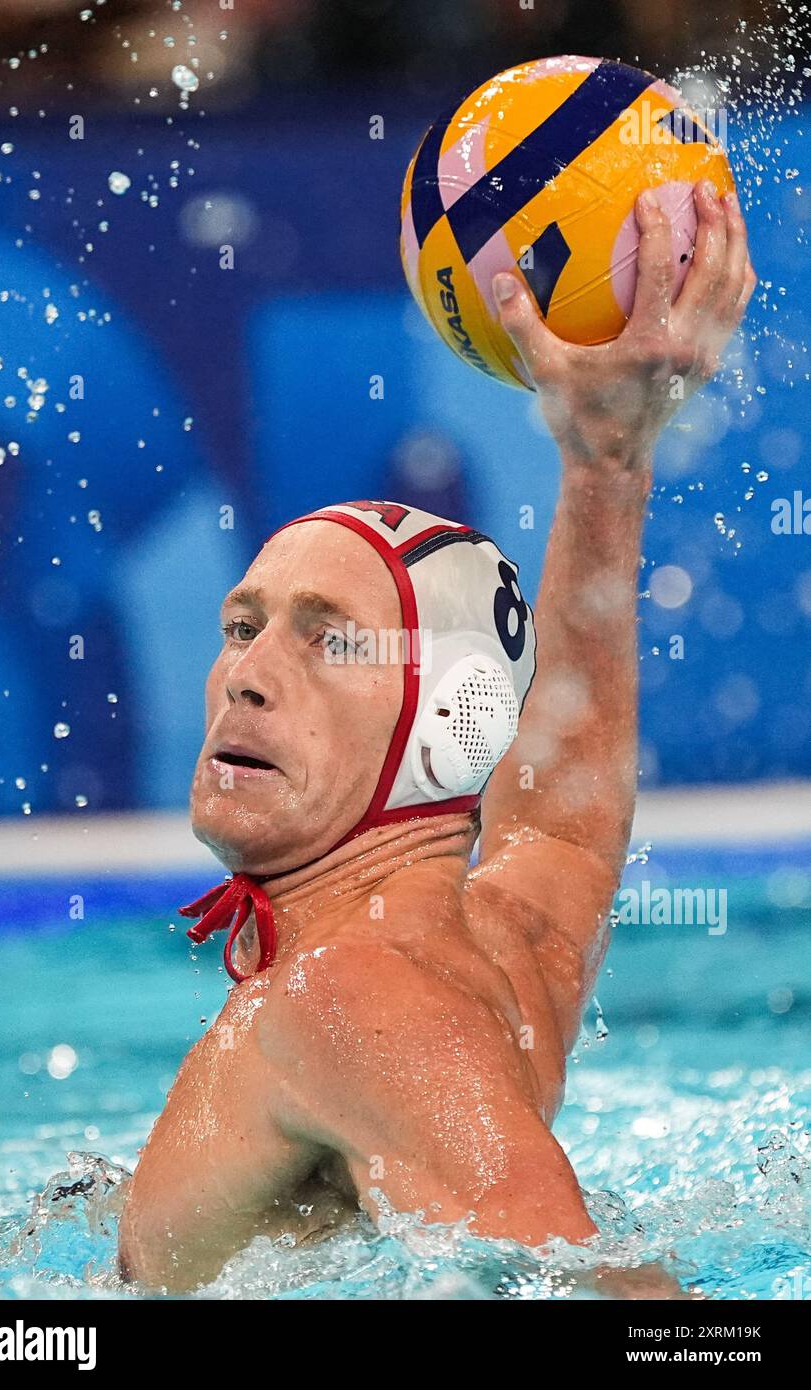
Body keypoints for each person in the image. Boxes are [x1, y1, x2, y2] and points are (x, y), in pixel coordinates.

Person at [118, 181, 755, 1294]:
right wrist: (606, 463)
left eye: (326, 640)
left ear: (446, 723)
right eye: (241, 624)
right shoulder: (501, 949)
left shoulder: (346, 995)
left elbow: (611, 1294)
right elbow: (560, 817)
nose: (246, 678)